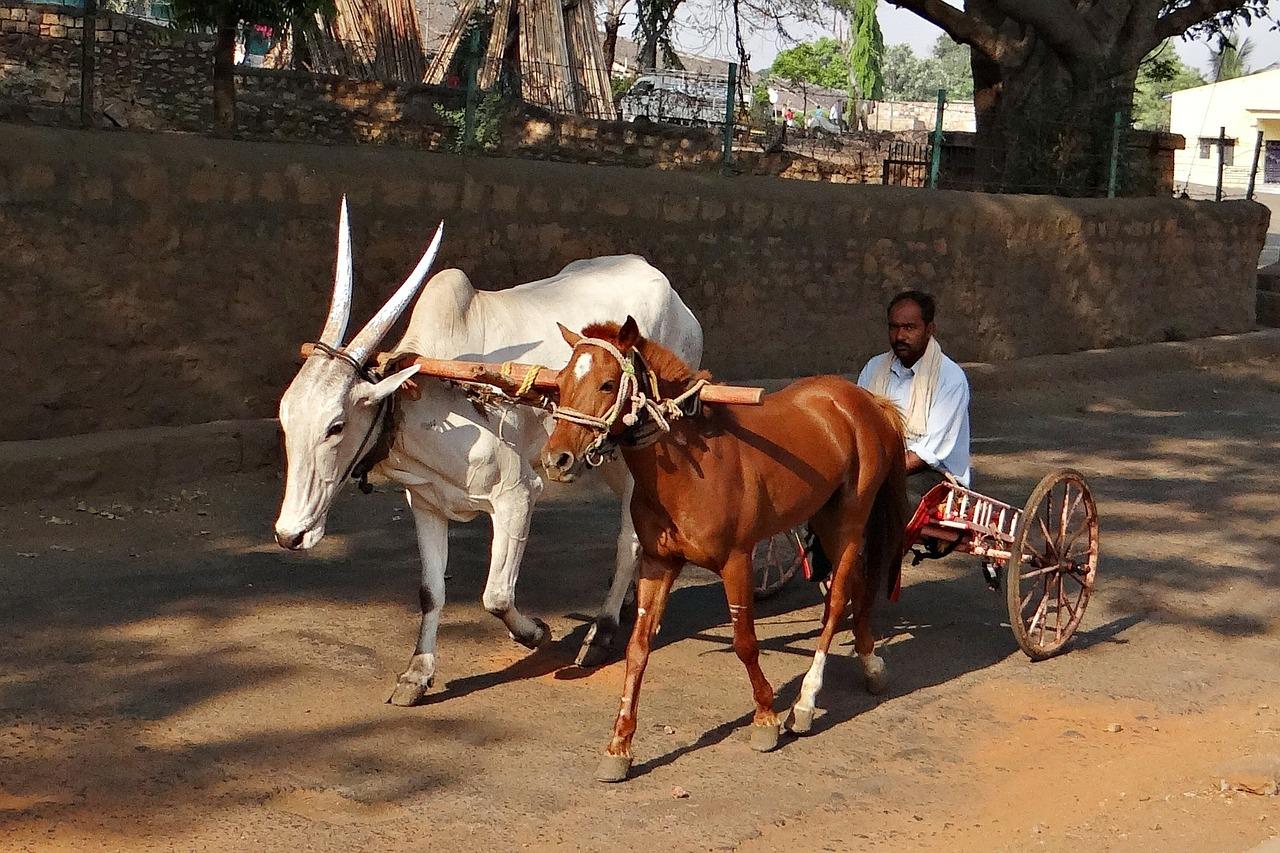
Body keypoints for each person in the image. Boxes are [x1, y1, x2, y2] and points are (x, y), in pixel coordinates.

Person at [800, 289, 971, 582]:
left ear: (930, 329)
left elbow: (930, 452)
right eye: (894, 327)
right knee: (821, 492)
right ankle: (826, 562)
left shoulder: (950, 379)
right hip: (877, 464)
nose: (899, 335)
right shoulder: (874, 368)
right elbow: (854, 425)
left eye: (909, 328)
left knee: (874, 504)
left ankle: (864, 575)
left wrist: (874, 474)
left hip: (934, 477)